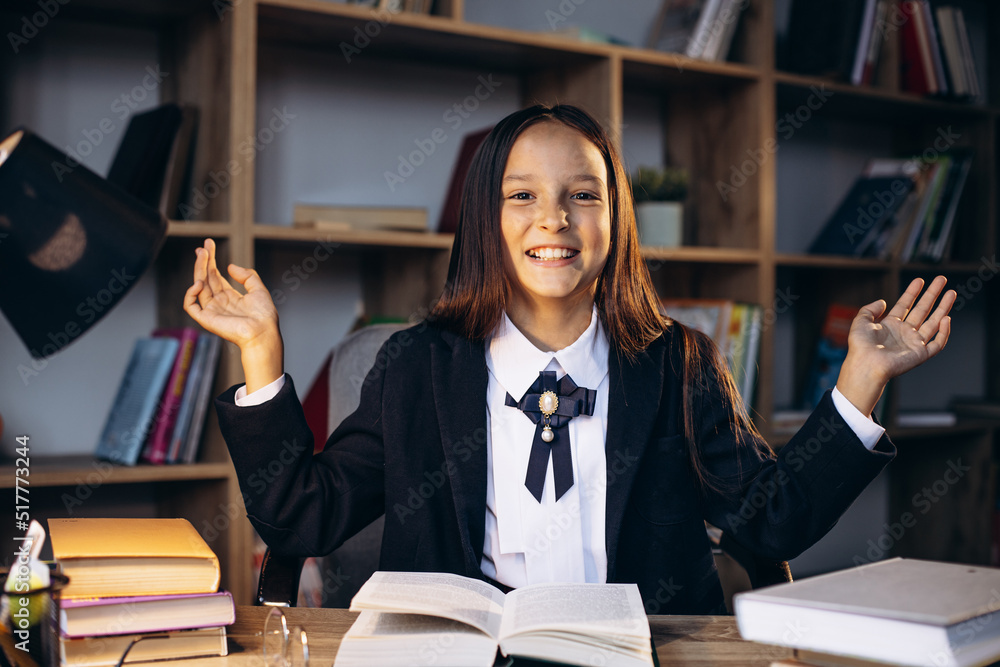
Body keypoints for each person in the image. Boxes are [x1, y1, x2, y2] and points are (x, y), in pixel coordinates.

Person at [183, 104, 954, 614]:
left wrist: (862, 379)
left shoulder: (679, 364)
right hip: (464, 650)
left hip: (635, 648)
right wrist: (260, 350)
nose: (553, 217)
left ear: (617, 217)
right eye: (522, 195)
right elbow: (302, 512)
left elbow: (774, 519)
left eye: (582, 194)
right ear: (486, 218)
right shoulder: (417, 366)